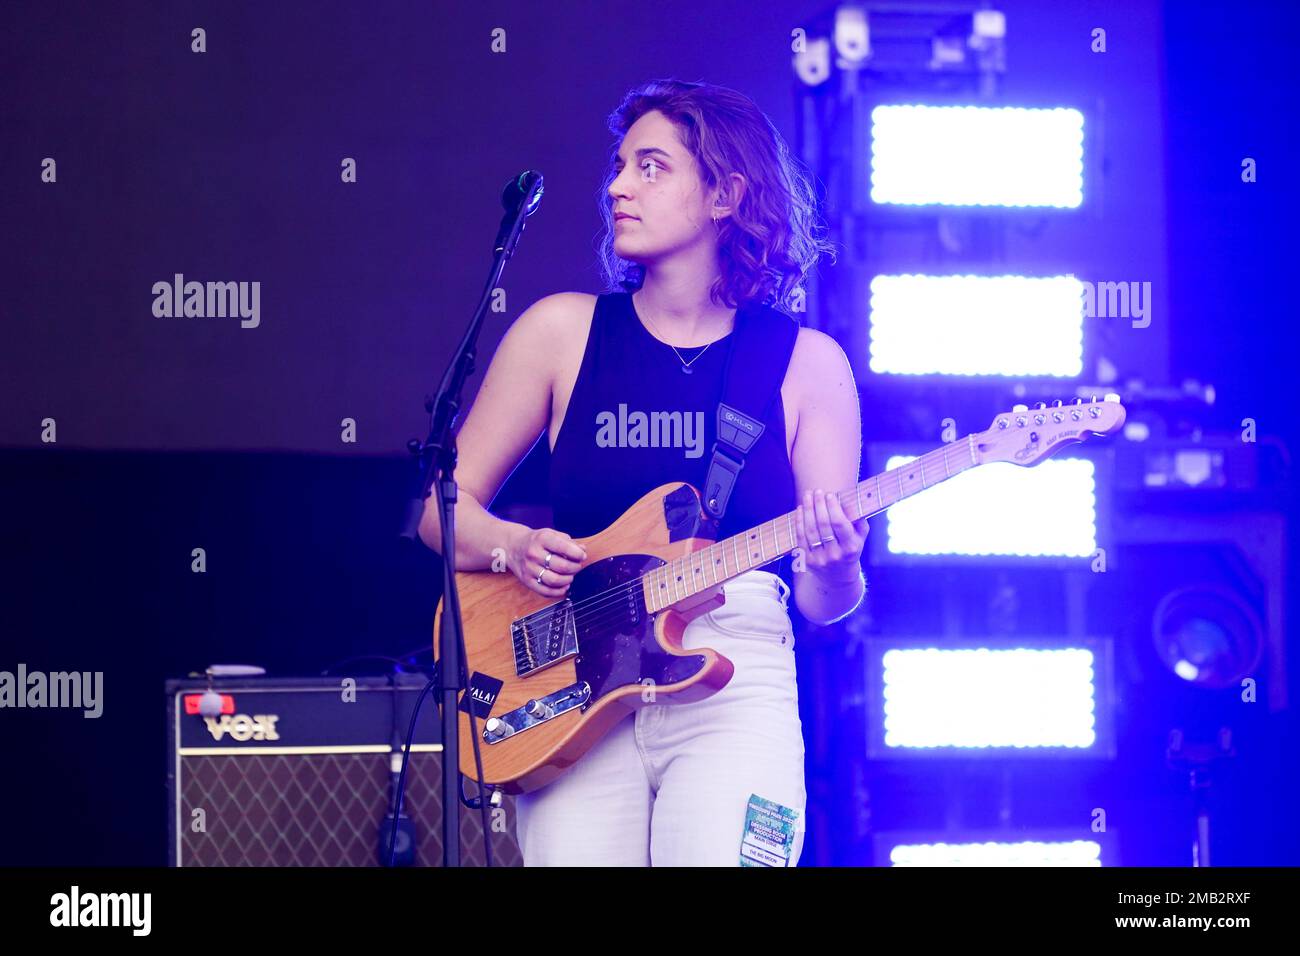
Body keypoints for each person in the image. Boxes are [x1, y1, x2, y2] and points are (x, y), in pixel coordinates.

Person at [420, 78, 868, 866]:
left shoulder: (807, 363)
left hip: (735, 671)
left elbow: (826, 604)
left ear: (726, 193)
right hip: (569, 670)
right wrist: (512, 548)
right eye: (620, 166)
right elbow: (438, 509)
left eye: (652, 167)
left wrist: (840, 567)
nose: (619, 186)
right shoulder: (561, 331)